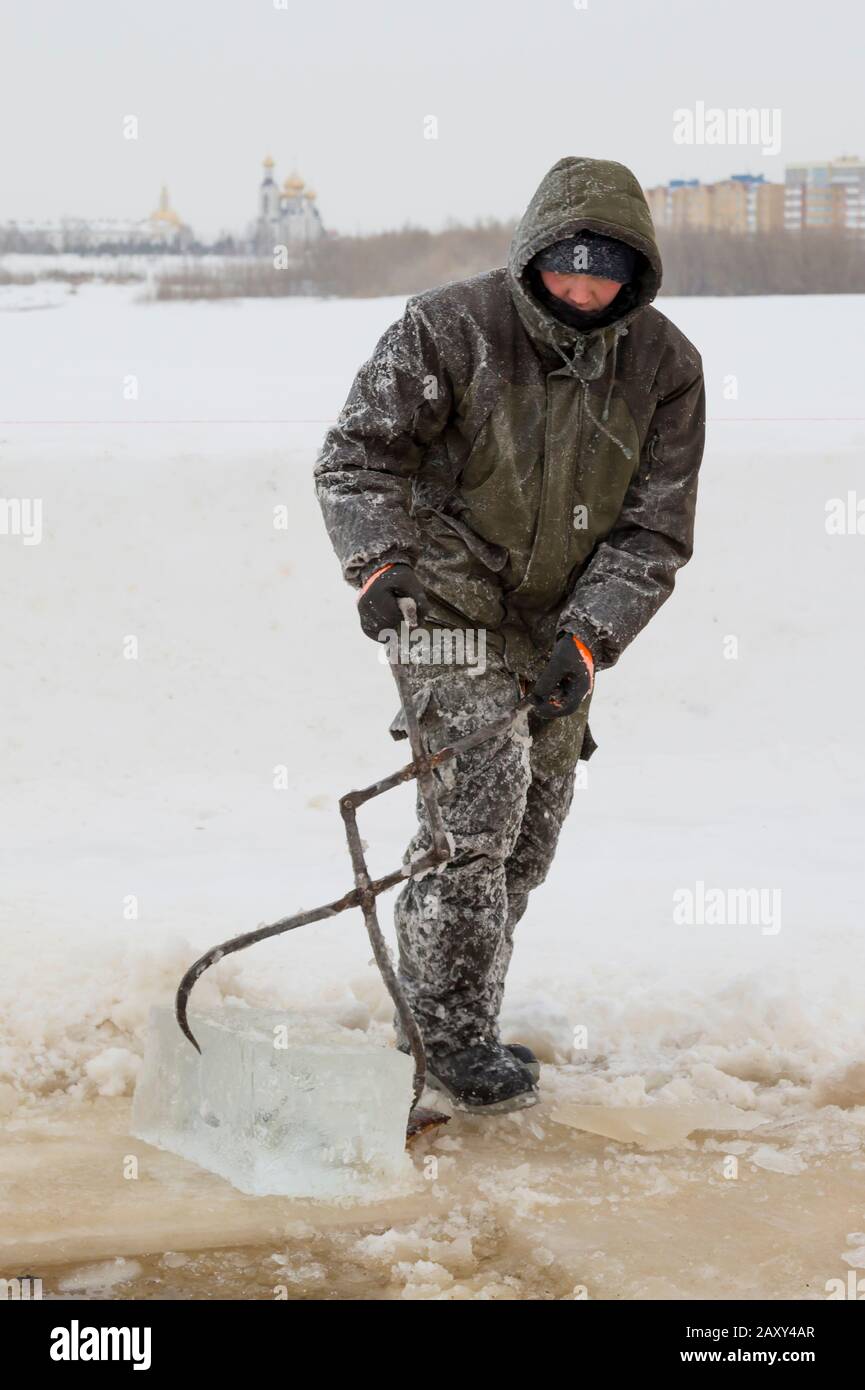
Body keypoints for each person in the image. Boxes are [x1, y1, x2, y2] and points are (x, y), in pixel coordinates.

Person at [315, 156, 705, 1114]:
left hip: (556, 623)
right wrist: (376, 562)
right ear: (534, 254)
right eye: (566, 265)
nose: (582, 289)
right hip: (439, 606)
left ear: (636, 271)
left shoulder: (664, 366)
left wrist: (587, 642)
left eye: (604, 272)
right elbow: (356, 455)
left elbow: (651, 530)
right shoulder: (449, 328)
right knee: (478, 804)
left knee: (527, 839)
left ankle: (456, 1003)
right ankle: (446, 1041)